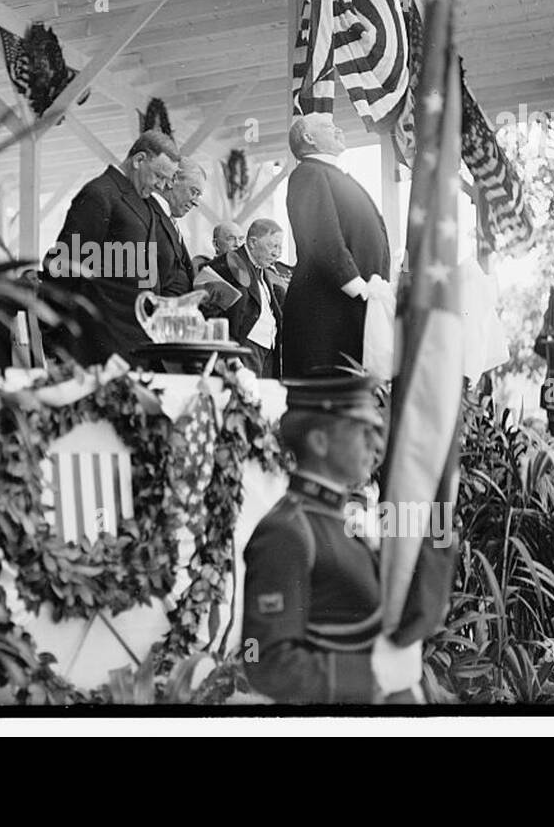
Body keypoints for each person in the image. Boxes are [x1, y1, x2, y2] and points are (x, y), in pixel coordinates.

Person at [241, 373, 420, 704]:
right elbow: (261, 661)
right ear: (320, 442)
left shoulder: (334, 520)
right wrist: (375, 676)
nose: (377, 444)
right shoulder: (287, 531)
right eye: (363, 431)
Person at [45, 129, 180, 365]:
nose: (160, 186)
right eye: (158, 176)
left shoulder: (140, 200)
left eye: (165, 180)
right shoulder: (99, 193)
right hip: (101, 340)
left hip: (133, 340)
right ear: (139, 160)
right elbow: (65, 267)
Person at [282, 113, 390, 378]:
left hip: (348, 307)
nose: (339, 130)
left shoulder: (330, 175)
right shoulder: (308, 173)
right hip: (327, 312)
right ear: (309, 138)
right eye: (330, 127)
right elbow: (321, 236)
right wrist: (356, 286)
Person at [195, 218, 285, 377]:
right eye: (273, 246)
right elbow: (208, 315)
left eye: (280, 247)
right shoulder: (226, 264)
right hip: (244, 352)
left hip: (267, 351)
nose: (277, 253)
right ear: (252, 242)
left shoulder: (262, 268)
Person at [151, 158, 205, 296]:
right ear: (171, 180)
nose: (196, 203)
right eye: (194, 192)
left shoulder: (168, 219)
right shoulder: (149, 216)